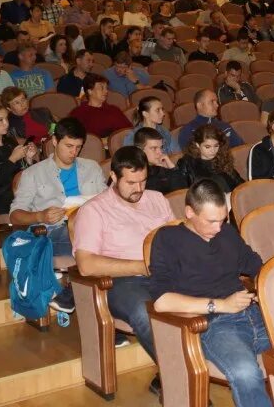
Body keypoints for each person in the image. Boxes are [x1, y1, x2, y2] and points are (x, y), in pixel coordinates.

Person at [150, 179, 272, 406]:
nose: (219, 227)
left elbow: (256, 266)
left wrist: (269, 288)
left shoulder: (225, 232)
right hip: (214, 325)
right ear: (189, 212)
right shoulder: (168, 240)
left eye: (223, 219)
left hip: (254, 314)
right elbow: (161, 301)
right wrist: (221, 305)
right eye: (211, 221)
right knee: (245, 373)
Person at [74, 146, 175, 397]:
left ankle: (178, 371)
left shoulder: (157, 199)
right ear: (113, 177)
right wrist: (142, 266)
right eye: (131, 182)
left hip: (165, 273)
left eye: (143, 181)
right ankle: (181, 381)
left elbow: (177, 239)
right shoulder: (94, 210)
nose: (139, 189)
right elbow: (86, 264)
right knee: (147, 311)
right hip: (122, 282)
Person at [9, 117, 107, 313]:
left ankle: (76, 294)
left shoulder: (92, 168)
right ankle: (88, 301)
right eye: (69, 146)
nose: (74, 152)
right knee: (99, 240)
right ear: (54, 141)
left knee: (105, 235)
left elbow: (107, 201)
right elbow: (14, 215)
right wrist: (40, 216)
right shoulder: (33, 174)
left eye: (78, 147)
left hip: (91, 227)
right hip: (54, 232)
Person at [176, 124, 245, 193]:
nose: (213, 150)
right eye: (207, 147)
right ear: (197, 145)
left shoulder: (222, 157)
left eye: (216, 146)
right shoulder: (187, 162)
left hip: (230, 197)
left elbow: (239, 182)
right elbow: (184, 192)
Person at [178, 89, 244, 149]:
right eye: (212, 102)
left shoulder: (225, 126)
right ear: (199, 105)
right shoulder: (189, 130)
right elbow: (191, 157)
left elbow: (241, 147)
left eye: (216, 102)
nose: (217, 105)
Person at [132, 127, 188, 193]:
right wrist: (171, 171)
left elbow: (183, 191)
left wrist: (171, 168)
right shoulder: (139, 175)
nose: (160, 152)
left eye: (161, 147)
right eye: (154, 148)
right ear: (140, 150)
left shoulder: (159, 167)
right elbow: (177, 193)